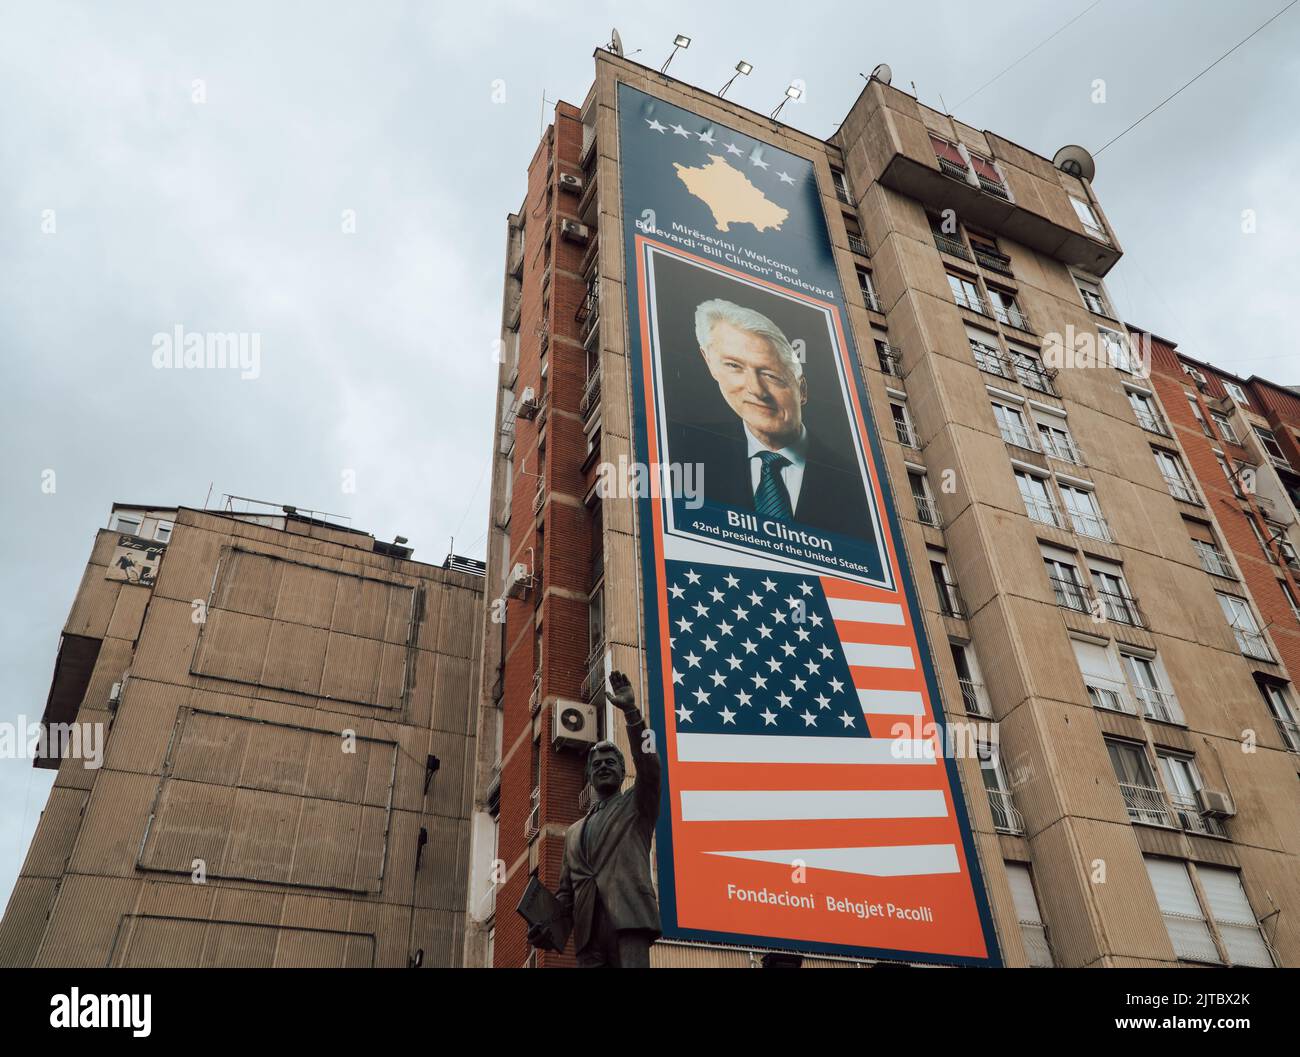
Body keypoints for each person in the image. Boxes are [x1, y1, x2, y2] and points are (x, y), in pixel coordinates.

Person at [671, 298, 875, 541]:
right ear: (710, 363)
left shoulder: (858, 485)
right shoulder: (681, 452)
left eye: (771, 375)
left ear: (802, 390)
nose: (756, 390)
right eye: (734, 366)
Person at [527, 671, 661, 968]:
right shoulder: (574, 833)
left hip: (629, 919)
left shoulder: (636, 806)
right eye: (597, 764)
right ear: (588, 774)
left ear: (623, 768)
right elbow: (566, 895)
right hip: (588, 935)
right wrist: (544, 926)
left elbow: (650, 769)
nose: (603, 767)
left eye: (610, 762)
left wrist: (631, 712)